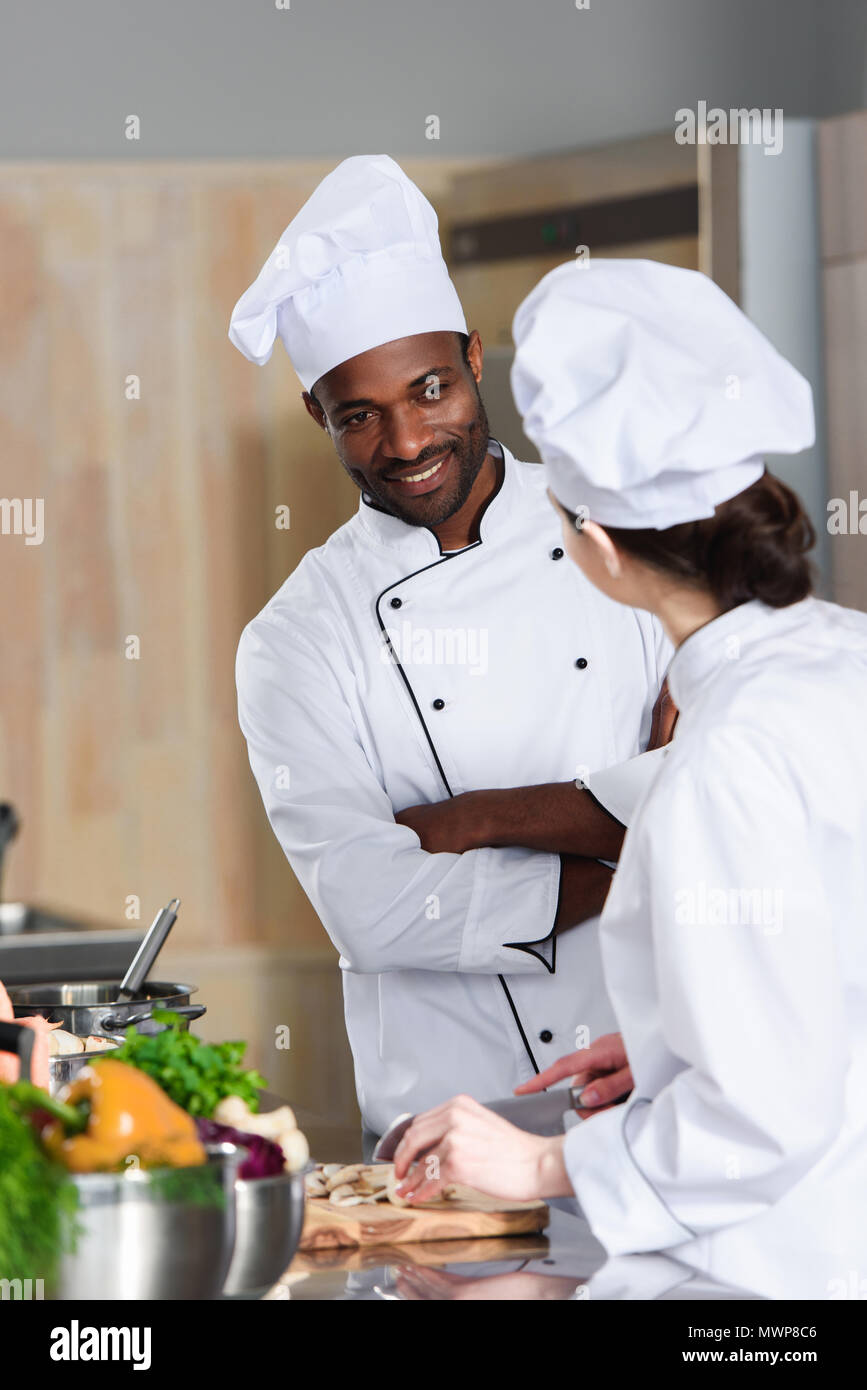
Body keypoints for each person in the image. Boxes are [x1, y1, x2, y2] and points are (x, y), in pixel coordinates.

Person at [392, 257, 867, 1298]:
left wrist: (541, 1162)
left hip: (771, 1281)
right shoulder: (846, 660)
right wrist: (671, 1048)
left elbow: (765, 1116)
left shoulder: (720, 760)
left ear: (597, 546)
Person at [228, 157, 672, 1148]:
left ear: (476, 357)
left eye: (430, 388)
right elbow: (373, 907)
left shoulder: (622, 527)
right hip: (449, 1136)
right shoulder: (297, 639)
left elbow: (730, 772)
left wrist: (473, 821)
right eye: (361, 413)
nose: (407, 438)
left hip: (661, 1099)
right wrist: (640, 845)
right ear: (320, 417)